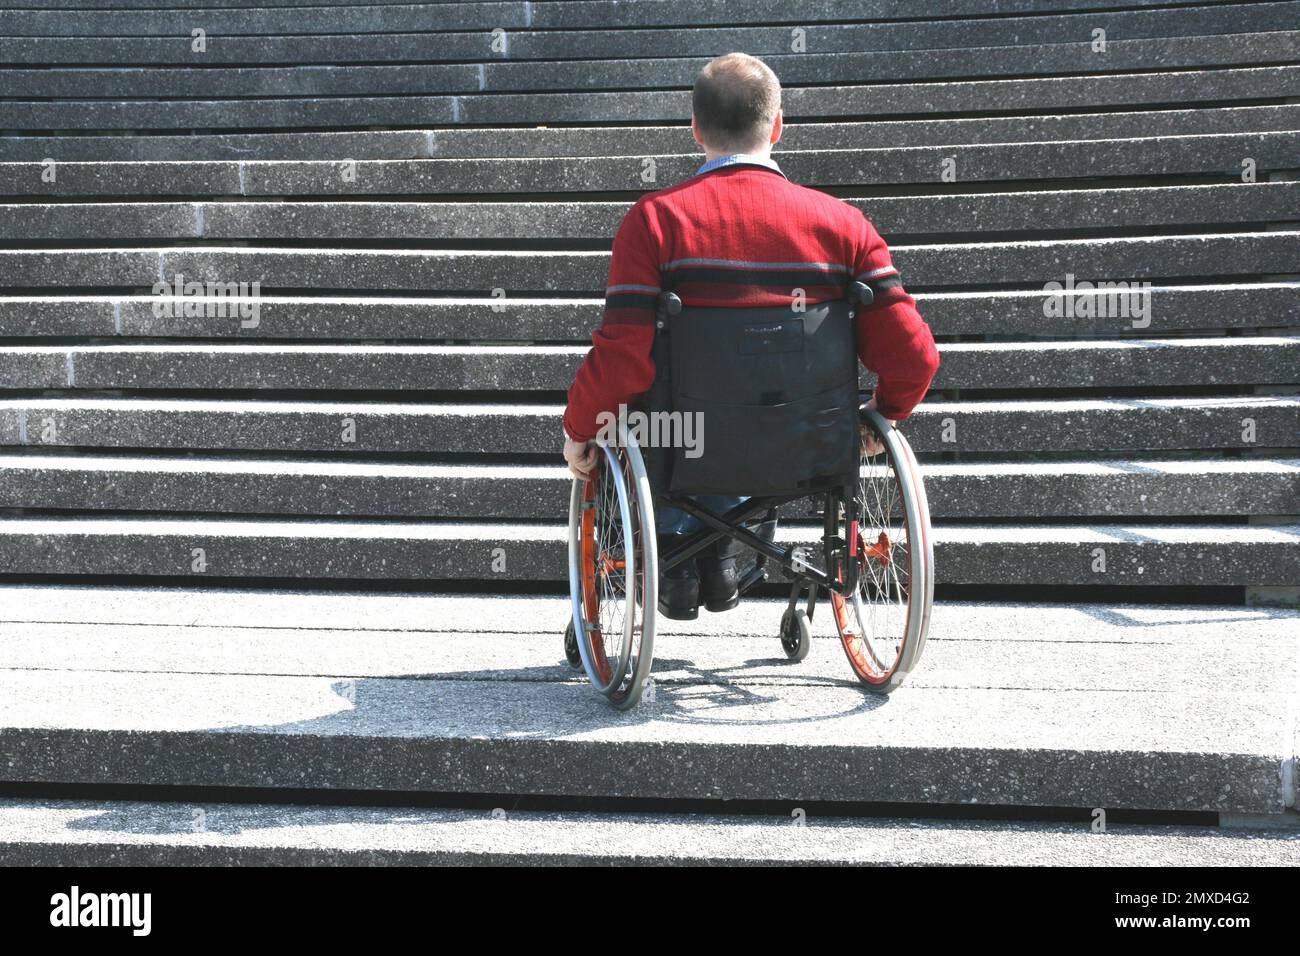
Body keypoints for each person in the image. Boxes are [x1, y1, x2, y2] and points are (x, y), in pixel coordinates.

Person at [562, 52, 940, 620]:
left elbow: (621, 359)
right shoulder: (843, 225)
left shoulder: (655, 221)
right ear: (778, 125)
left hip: (680, 440)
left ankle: (683, 549)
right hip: (806, 441)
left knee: (663, 415)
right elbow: (914, 355)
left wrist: (579, 429)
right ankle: (728, 552)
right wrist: (883, 412)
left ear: (694, 130)